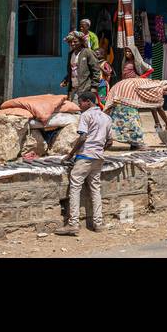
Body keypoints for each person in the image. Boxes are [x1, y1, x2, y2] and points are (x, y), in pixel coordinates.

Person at [59, 91, 111, 235]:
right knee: (95, 189)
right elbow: (110, 141)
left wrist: (70, 154)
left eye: (80, 102)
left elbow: (82, 137)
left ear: (88, 102)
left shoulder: (86, 115)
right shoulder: (107, 117)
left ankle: (73, 224)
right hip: (98, 157)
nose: (79, 105)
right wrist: (99, 150)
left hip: (85, 156)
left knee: (75, 187)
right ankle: (98, 223)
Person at [105, 78, 167, 149]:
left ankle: (112, 140)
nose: (165, 92)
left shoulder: (153, 86)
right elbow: (159, 108)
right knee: (133, 120)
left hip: (120, 91)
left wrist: (157, 123)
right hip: (125, 92)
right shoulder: (157, 88)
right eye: (166, 90)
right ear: (164, 85)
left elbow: (153, 106)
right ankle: (137, 143)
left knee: (119, 118)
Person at [66, 30, 102, 96]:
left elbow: (96, 70)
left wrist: (94, 86)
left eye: (75, 41)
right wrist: (66, 80)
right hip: (73, 88)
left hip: (85, 88)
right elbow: (72, 70)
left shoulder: (87, 53)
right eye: (70, 42)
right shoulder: (71, 54)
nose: (72, 43)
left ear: (81, 42)